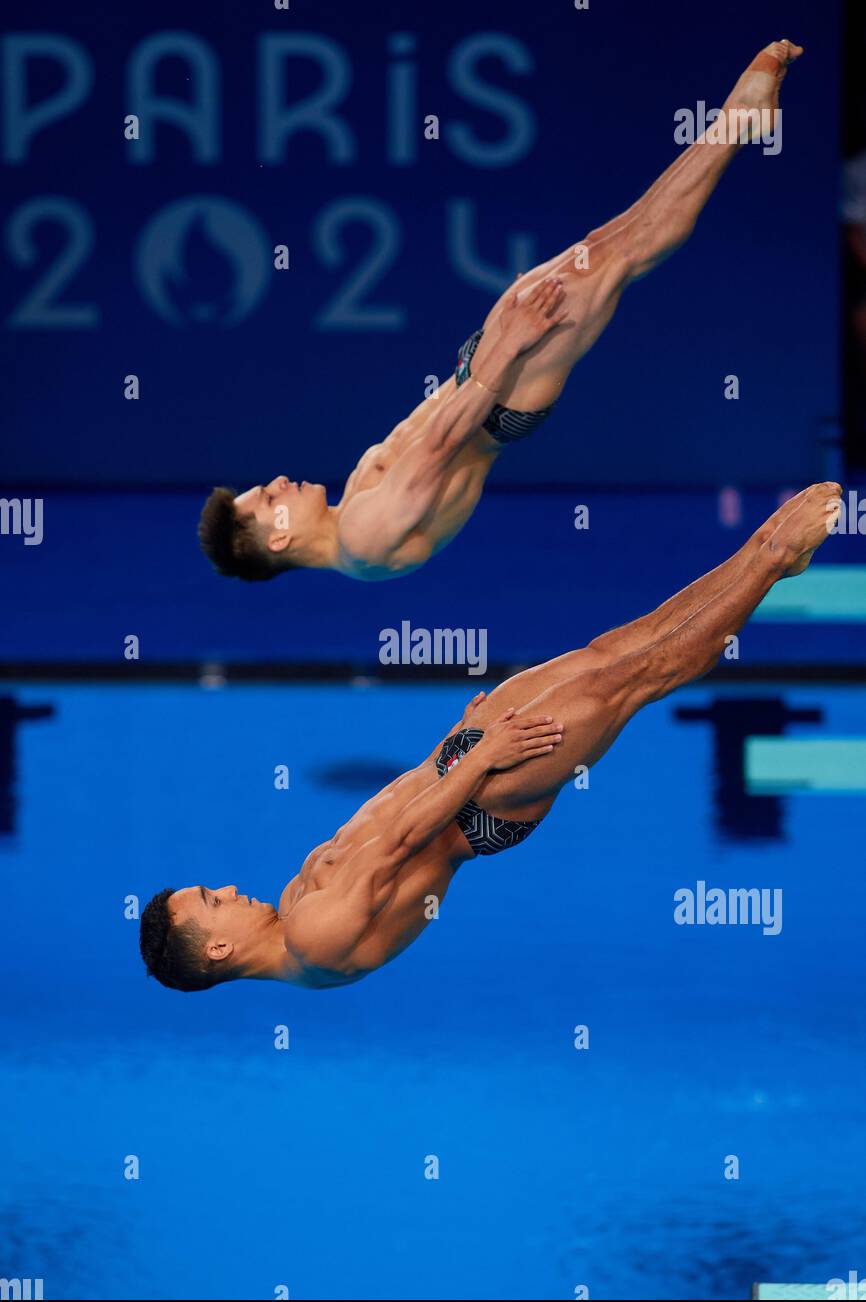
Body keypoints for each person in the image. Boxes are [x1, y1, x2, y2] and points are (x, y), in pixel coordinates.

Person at [143, 482, 840, 993]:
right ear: (219, 949)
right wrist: (479, 758)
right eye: (212, 900)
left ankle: (761, 558)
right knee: (639, 677)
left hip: (463, 767)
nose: (228, 887)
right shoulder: (314, 943)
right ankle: (773, 557)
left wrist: (455, 743)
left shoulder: (297, 909)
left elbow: (388, 813)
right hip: (483, 801)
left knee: (615, 650)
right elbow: (403, 842)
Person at [198, 39, 802, 583]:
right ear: (278, 536)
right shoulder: (364, 539)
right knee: (623, 255)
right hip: (497, 396)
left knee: (606, 245)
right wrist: (510, 341)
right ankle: (740, 121)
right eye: (266, 497)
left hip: (484, 376)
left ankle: (739, 120)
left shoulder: (349, 510)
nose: (278, 482)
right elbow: (440, 445)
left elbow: (430, 426)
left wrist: (491, 347)